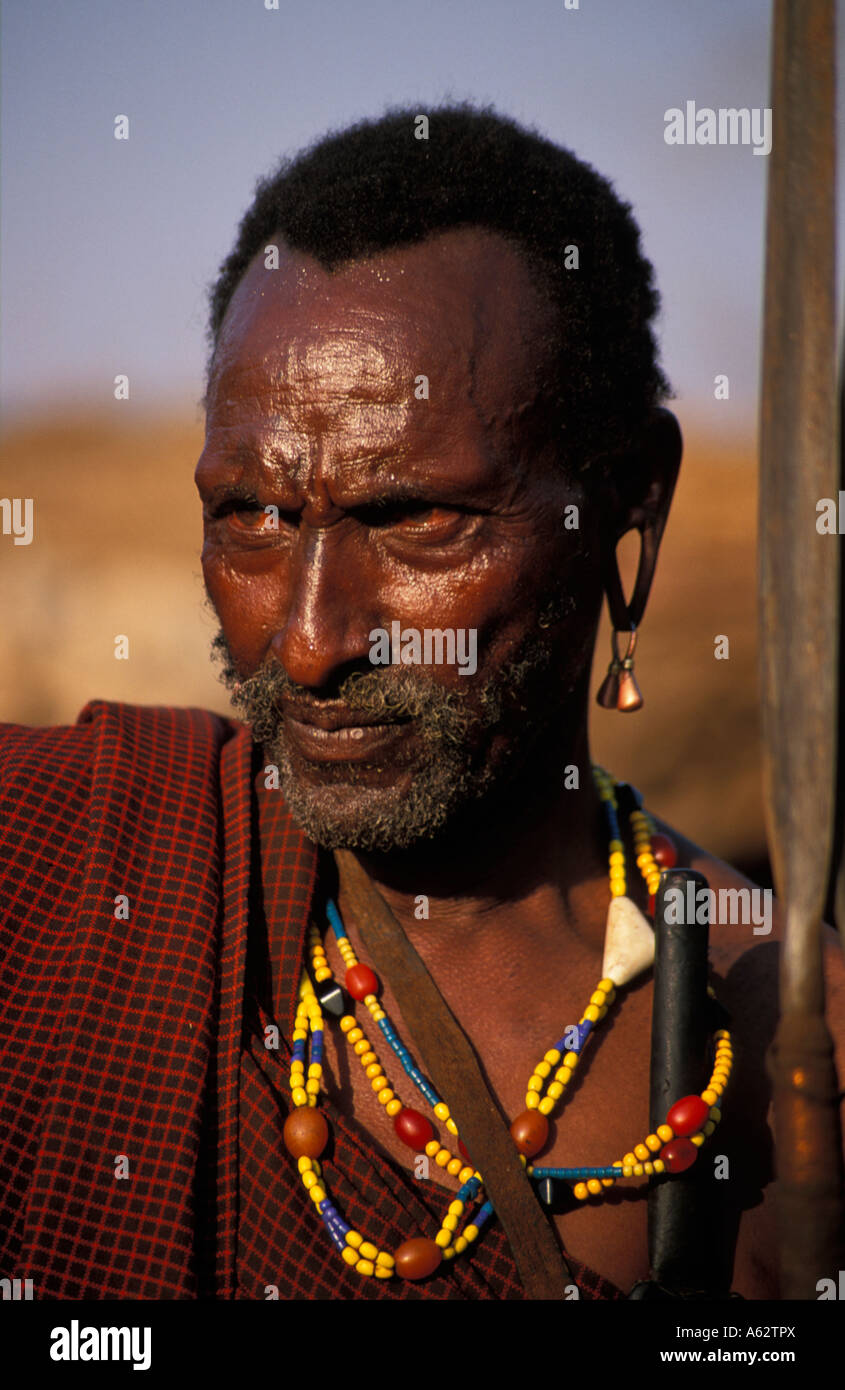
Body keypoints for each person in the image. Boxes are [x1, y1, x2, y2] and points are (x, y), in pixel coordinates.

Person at [1, 104, 843, 1302]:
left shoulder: (785, 1039)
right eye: (252, 515)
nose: (305, 644)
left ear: (626, 511)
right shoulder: (66, 851)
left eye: (414, 520)